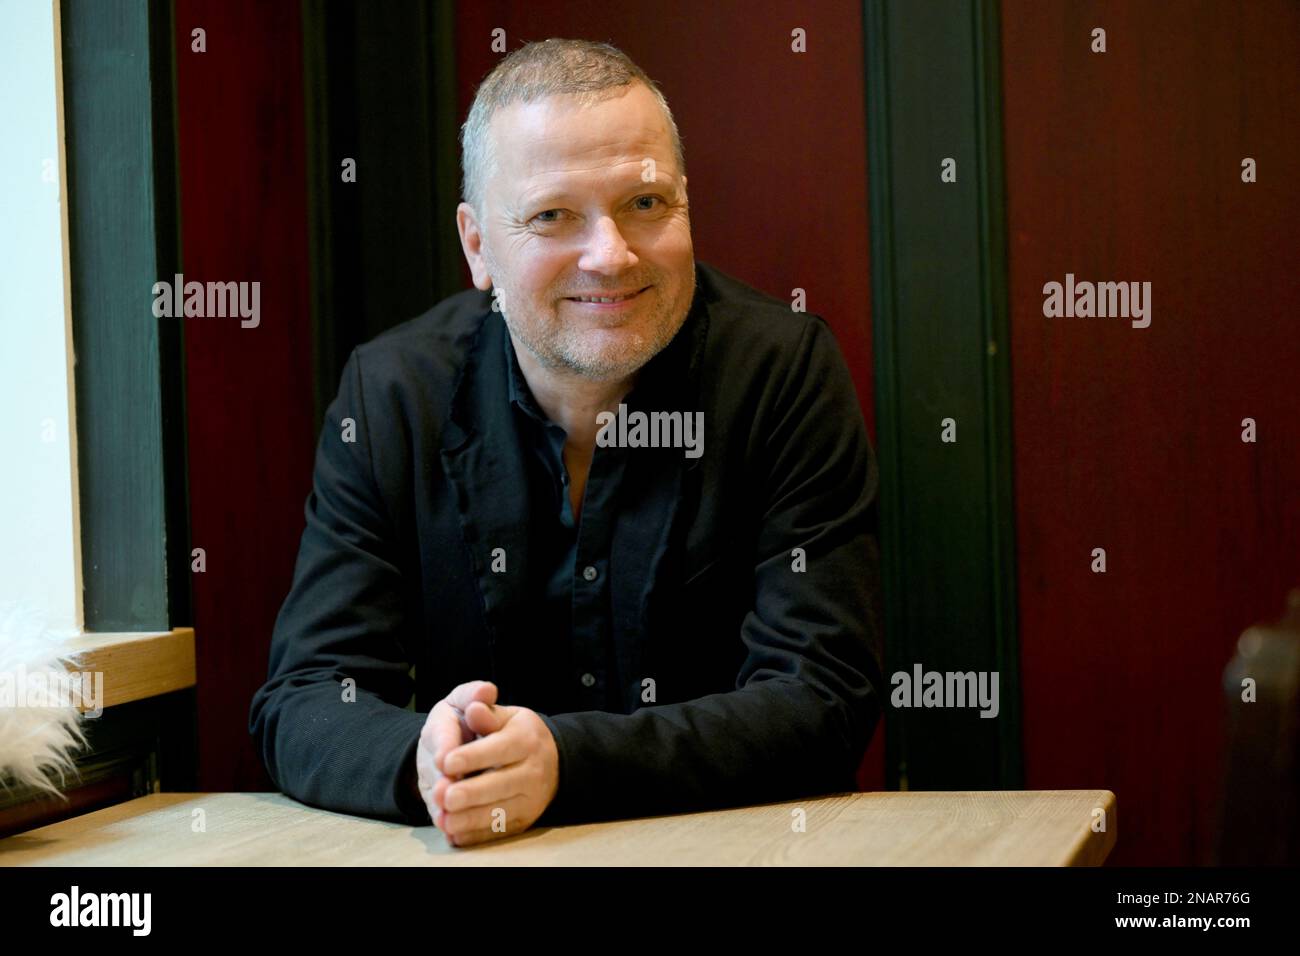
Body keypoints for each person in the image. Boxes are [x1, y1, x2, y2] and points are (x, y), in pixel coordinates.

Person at [248, 38, 884, 848]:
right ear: (478, 246)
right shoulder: (392, 394)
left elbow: (822, 696)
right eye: (552, 216)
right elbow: (304, 694)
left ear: (687, 204)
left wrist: (567, 763)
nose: (610, 255)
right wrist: (430, 761)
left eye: (646, 205)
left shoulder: (780, 373)